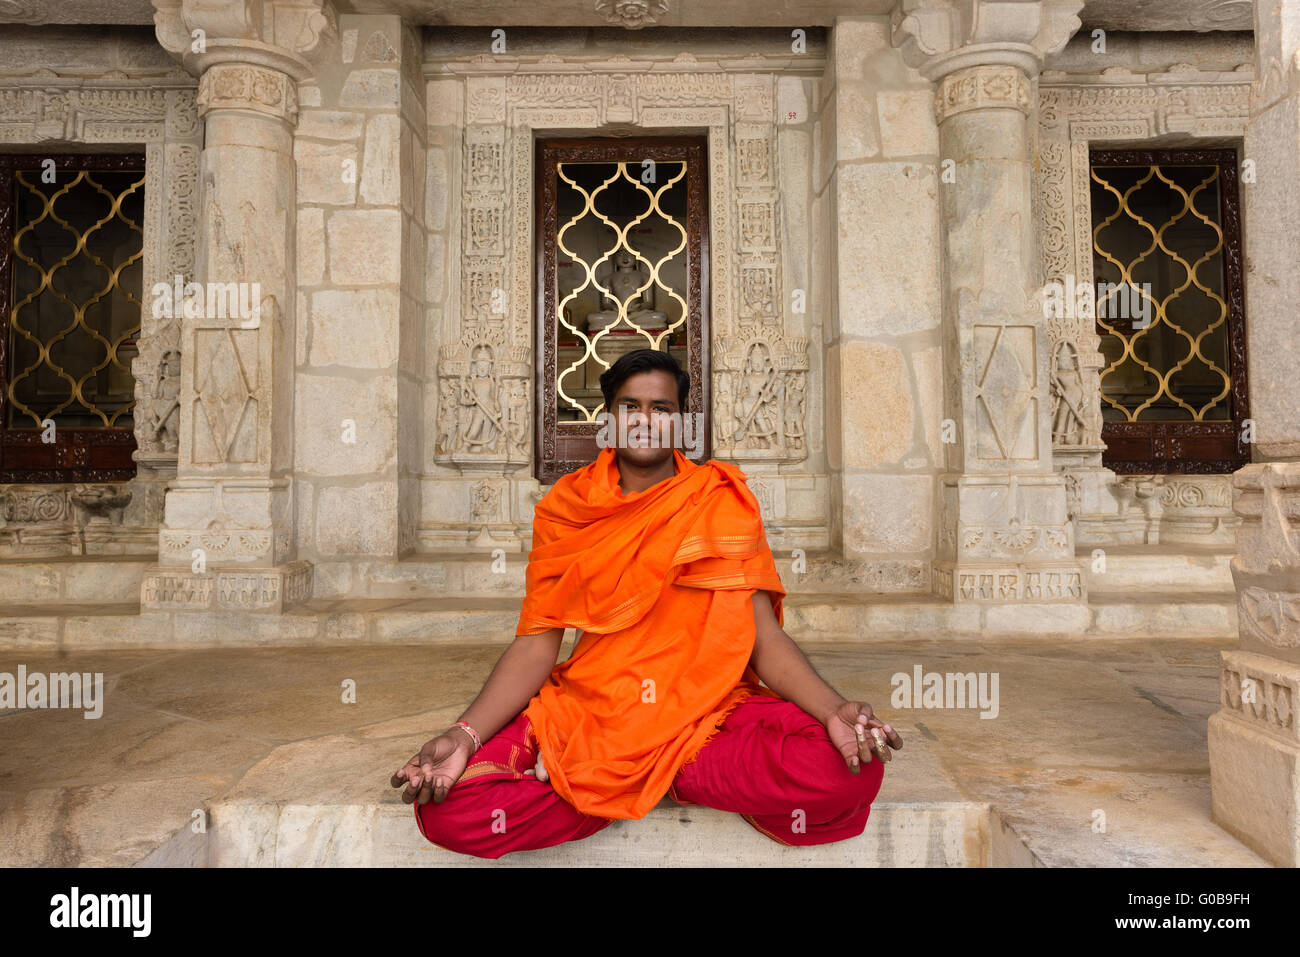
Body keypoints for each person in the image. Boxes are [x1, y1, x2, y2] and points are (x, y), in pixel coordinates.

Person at [391, 348, 902, 859]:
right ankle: (628, 776)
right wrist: (465, 736)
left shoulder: (719, 500)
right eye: (630, 406)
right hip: (592, 711)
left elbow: (763, 639)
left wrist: (835, 709)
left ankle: (624, 778)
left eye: (662, 409)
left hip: (702, 718)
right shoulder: (568, 511)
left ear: (683, 422)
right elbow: (534, 648)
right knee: (449, 809)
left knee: (848, 771)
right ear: (608, 420)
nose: (645, 420)